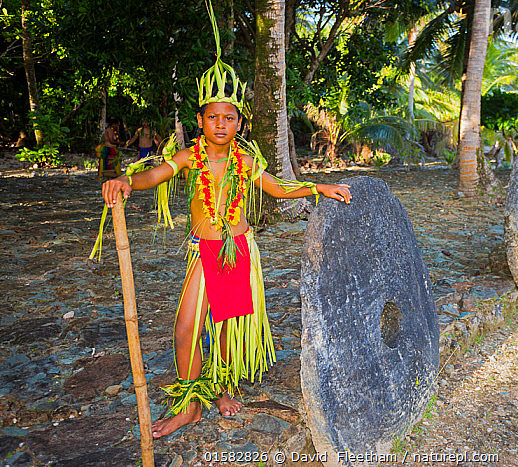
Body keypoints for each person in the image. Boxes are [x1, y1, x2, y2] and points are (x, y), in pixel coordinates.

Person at [101, 33, 351, 438]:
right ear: (200, 120)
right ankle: (190, 407)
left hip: (238, 251)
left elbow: (277, 187)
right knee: (186, 328)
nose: (221, 124)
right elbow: (154, 173)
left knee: (227, 328)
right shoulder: (189, 156)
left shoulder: (245, 160)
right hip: (205, 251)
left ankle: (219, 390)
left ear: (239, 122)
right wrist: (127, 180)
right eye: (213, 117)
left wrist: (318, 188)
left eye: (230, 117)